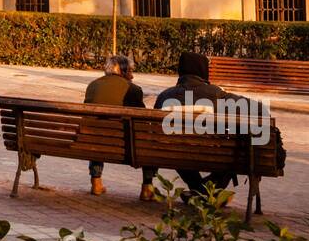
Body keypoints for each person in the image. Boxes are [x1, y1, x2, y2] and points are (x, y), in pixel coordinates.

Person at [154, 51, 251, 200]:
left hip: (174, 153)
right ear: (203, 70)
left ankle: (197, 190)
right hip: (211, 153)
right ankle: (207, 193)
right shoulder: (216, 93)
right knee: (234, 152)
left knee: (176, 148)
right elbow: (251, 107)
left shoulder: (165, 96)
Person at [83, 54, 149, 196]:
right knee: (147, 138)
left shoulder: (93, 85)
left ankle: (96, 181)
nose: (132, 76)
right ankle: (147, 186)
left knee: (97, 130)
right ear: (123, 71)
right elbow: (142, 121)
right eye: (130, 71)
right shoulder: (133, 90)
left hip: (91, 140)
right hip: (123, 144)